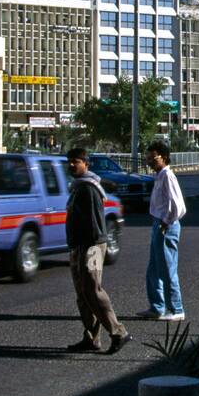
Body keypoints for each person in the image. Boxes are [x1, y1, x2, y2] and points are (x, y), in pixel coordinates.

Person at [65, 148, 130, 353]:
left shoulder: (89, 188)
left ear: (86, 164)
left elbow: (94, 224)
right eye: (70, 162)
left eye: (76, 161)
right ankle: (91, 338)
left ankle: (119, 333)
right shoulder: (78, 186)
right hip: (79, 246)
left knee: (92, 290)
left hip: (91, 246)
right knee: (82, 294)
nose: (72, 165)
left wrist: (90, 251)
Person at [141, 141, 186, 321]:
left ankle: (176, 309)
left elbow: (178, 206)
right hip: (158, 222)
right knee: (154, 268)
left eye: (153, 157)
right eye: (148, 157)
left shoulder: (168, 175)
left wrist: (166, 222)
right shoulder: (159, 176)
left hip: (166, 225)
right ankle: (157, 307)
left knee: (167, 269)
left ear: (164, 157)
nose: (150, 161)